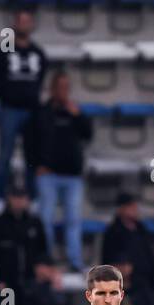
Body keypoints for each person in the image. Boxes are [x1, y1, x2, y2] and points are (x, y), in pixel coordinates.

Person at [0, 9, 47, 208]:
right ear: (15, 23)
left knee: (32, 157)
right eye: (20, 21)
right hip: (10, 109)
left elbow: (42, 75)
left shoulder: (37, 51)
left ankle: (32, 198)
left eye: (27, 21)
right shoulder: (7, 45)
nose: (24, 25)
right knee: (5, 156)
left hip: (31, 111)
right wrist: (6, 93)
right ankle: (1, 198)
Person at [32, 70, 92, 271]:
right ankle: (47, 260)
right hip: (48, 173)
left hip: (72, 175)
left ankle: (75, 261)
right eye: (60, 87)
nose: (63, 92)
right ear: (52, 89)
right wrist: (36, 165)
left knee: (73, 220)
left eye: (67, 88)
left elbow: (88, 133)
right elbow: (31, 142)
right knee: (45, 219)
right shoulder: (42, 112)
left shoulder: (75, 112)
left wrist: (77, 115)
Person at [101, 191, 154, 305]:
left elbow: (150, 255)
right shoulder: (112, 232)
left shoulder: (141, 229)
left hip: (146, 285)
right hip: (128, 289)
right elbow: (108, 261)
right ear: (121, 209)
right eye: (130, 206)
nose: (135, 209)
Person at [0, 184, 48, 294]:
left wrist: (42, 270)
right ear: (9, 199)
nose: (19, 201)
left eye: (22, 197)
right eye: (15, 197)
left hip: (31, 282)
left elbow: (43, 250)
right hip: (5, 284)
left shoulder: (35, 223)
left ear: (27, 199)